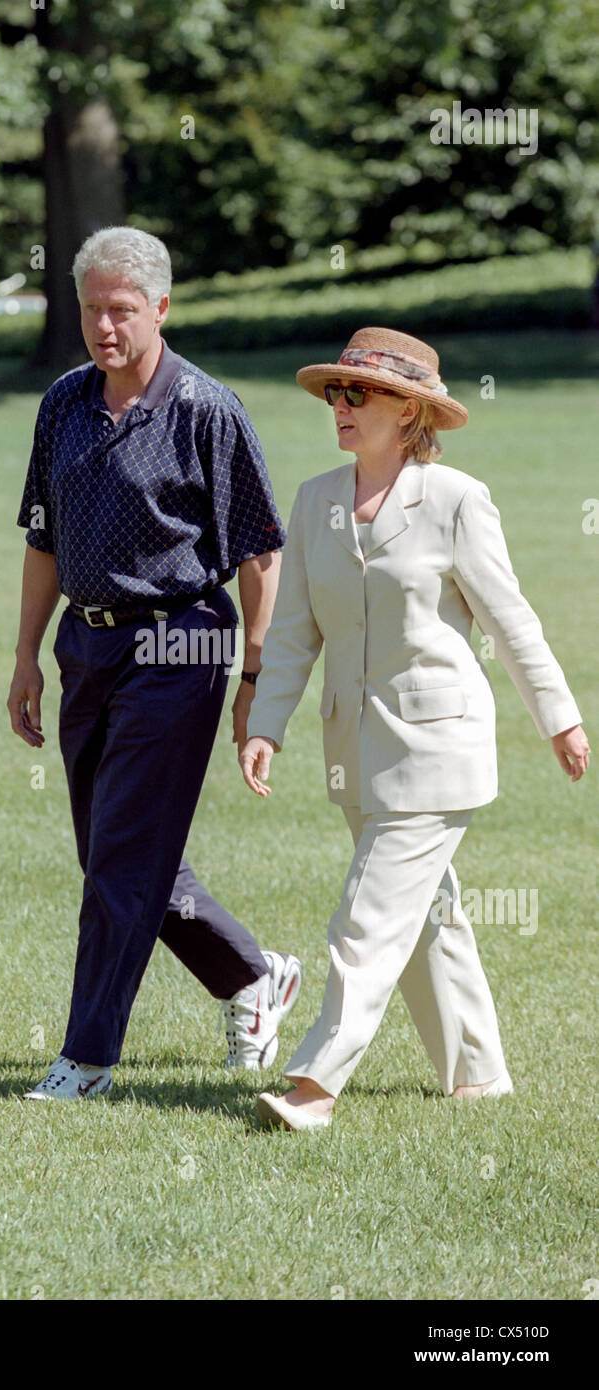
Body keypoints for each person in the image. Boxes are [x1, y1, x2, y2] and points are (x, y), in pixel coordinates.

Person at [239, 326, 590, 1131]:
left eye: (358, 393)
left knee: (366, 918)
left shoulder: (457, 499)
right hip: (351, 753)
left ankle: (312, 1088)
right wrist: (267, 724)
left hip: (438, 748)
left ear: (409, 411)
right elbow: (293, 631)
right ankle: (477, 1074)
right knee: (428, 915)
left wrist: (558, 719)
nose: (341, 406)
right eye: (335, 391)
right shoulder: (314, 498)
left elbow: (508, 621)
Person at [8, 226, 301, 1101]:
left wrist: (256, 678)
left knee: (123, 855)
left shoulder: (208, 410)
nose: (104, 326)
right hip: (84, 646)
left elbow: (260, 553)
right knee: (117, 854)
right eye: (92, 308)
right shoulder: (63, 402)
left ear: (161, 308)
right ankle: (254, 976)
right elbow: (43, 538)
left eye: (122, 310)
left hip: (180, 644)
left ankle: (88, 1058)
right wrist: (24, 655)